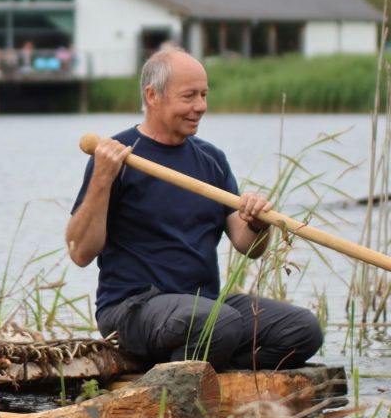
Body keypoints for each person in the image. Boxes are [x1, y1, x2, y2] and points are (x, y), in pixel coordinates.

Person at [66, 48, 322, 371]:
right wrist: (102, 179)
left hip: (206, 308)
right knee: (219, 324)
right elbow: (80, 252)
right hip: (134, 307)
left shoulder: (212, 159)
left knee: (302, 330)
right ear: (152, 96)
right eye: (189, 96)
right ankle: (181, 375)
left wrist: (258, 222)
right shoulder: (117, 157)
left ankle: (203, 369)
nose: (200, 106)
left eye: (204, 95)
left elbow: (249, 246)